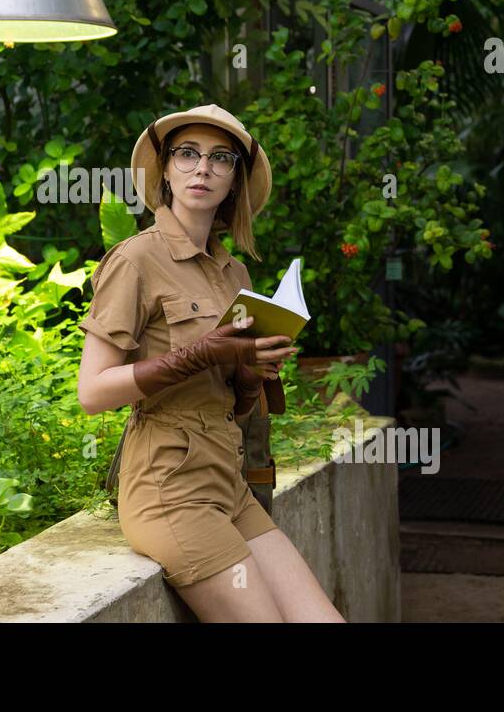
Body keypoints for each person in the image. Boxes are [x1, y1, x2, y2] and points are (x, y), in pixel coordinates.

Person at [77, 103, 347, 622]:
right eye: (187, 154)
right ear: (167, 171)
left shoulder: (235, 275)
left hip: (228, 481)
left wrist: (249, 374)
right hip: (170, 489)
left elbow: (235, 405)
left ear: (233, 182)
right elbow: (93, 392)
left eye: (220, 158)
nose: (202, 168)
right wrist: (205, 352)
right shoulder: (135, 260)